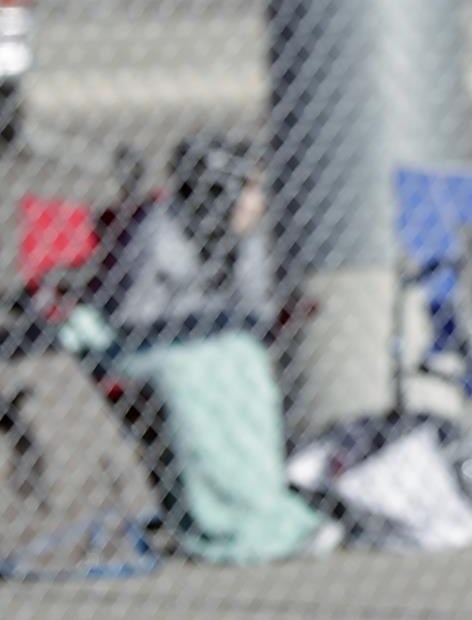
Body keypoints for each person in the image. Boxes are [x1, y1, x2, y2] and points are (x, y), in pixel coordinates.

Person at [78, 135, 340, 564]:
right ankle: (218, 520)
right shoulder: (159, 233)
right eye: (249, 190)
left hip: (211, 344)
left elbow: (252, 310)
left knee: (244, 360)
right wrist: (205, 321)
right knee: (197, 372)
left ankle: (260, 509)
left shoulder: (241, 236)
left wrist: (236, 322)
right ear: (217, 189)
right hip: (146, 347)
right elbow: (129, 317)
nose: (257, 203)